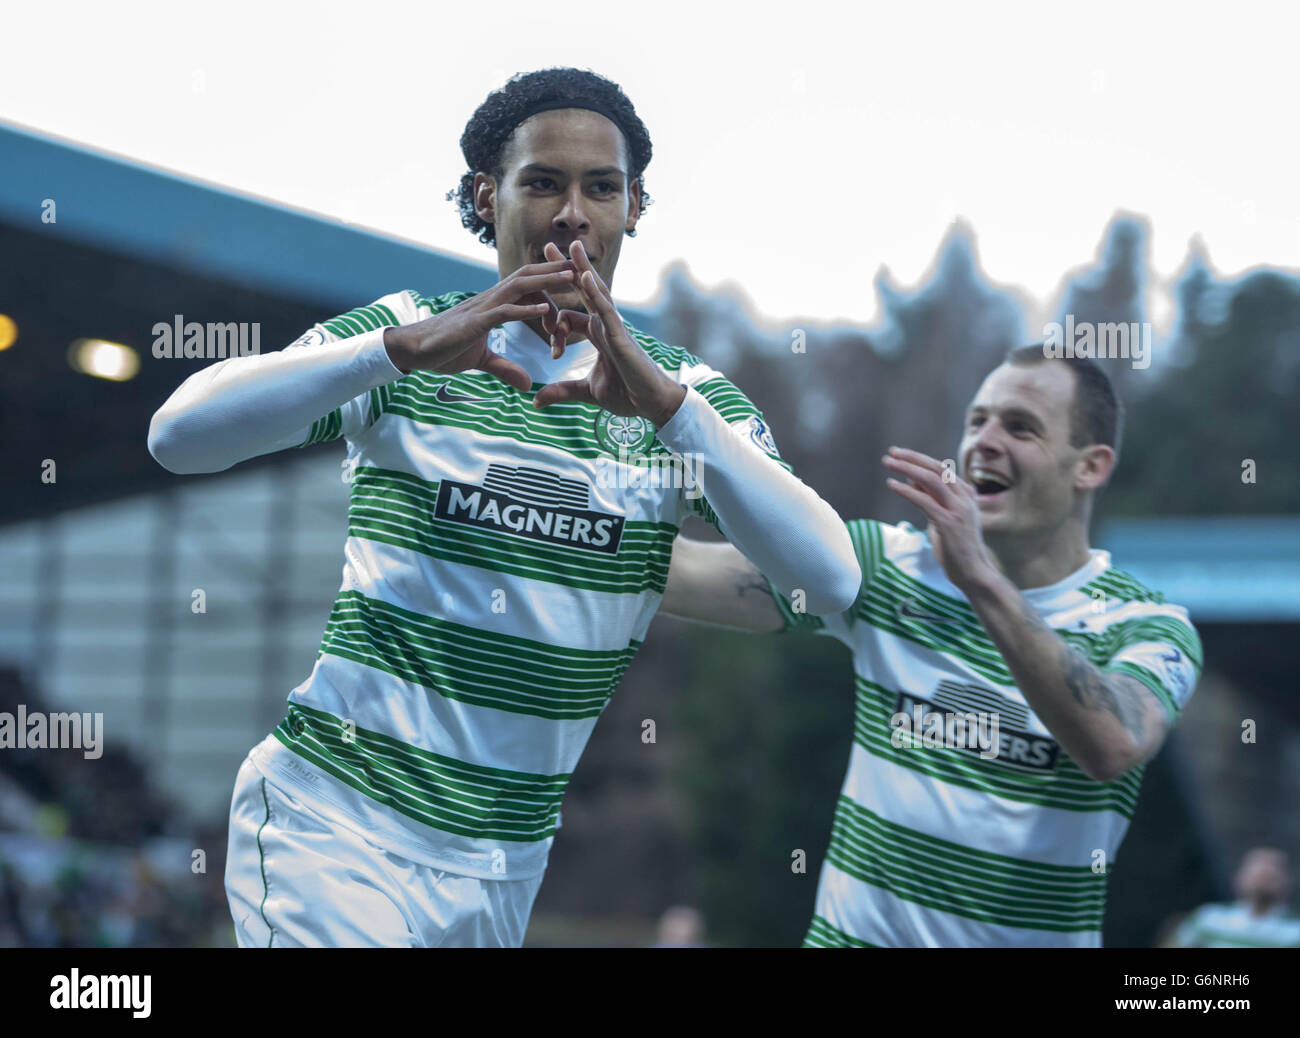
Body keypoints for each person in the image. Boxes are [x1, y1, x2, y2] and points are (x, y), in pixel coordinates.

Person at [146, 67, 859, 948]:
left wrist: (674, 415)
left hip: (504, 869)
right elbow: (179, 435)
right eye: (543, 183)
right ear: (488, 197)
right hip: (335, 823)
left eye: (603, 187)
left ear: (634, 207)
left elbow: (826, 579)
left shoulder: (688, 401)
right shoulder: (414, 335)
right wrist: (396, 352)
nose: (573, 213)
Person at [661, 346, 1203, 946]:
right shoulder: (887, 568)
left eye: (1020, 427)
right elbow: (676, 575)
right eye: (977, 422)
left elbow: (1114, 744)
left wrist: (982, 580)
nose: (984, 442)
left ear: (1090, 466)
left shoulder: (1146, 624)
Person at [1170, 847, 1300, 947]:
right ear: (1239, 878)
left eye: (1270, 876)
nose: (1262, 878)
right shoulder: (1208, 918)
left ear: (1288, 881)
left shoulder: (1295, 932)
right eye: (1256, 874)